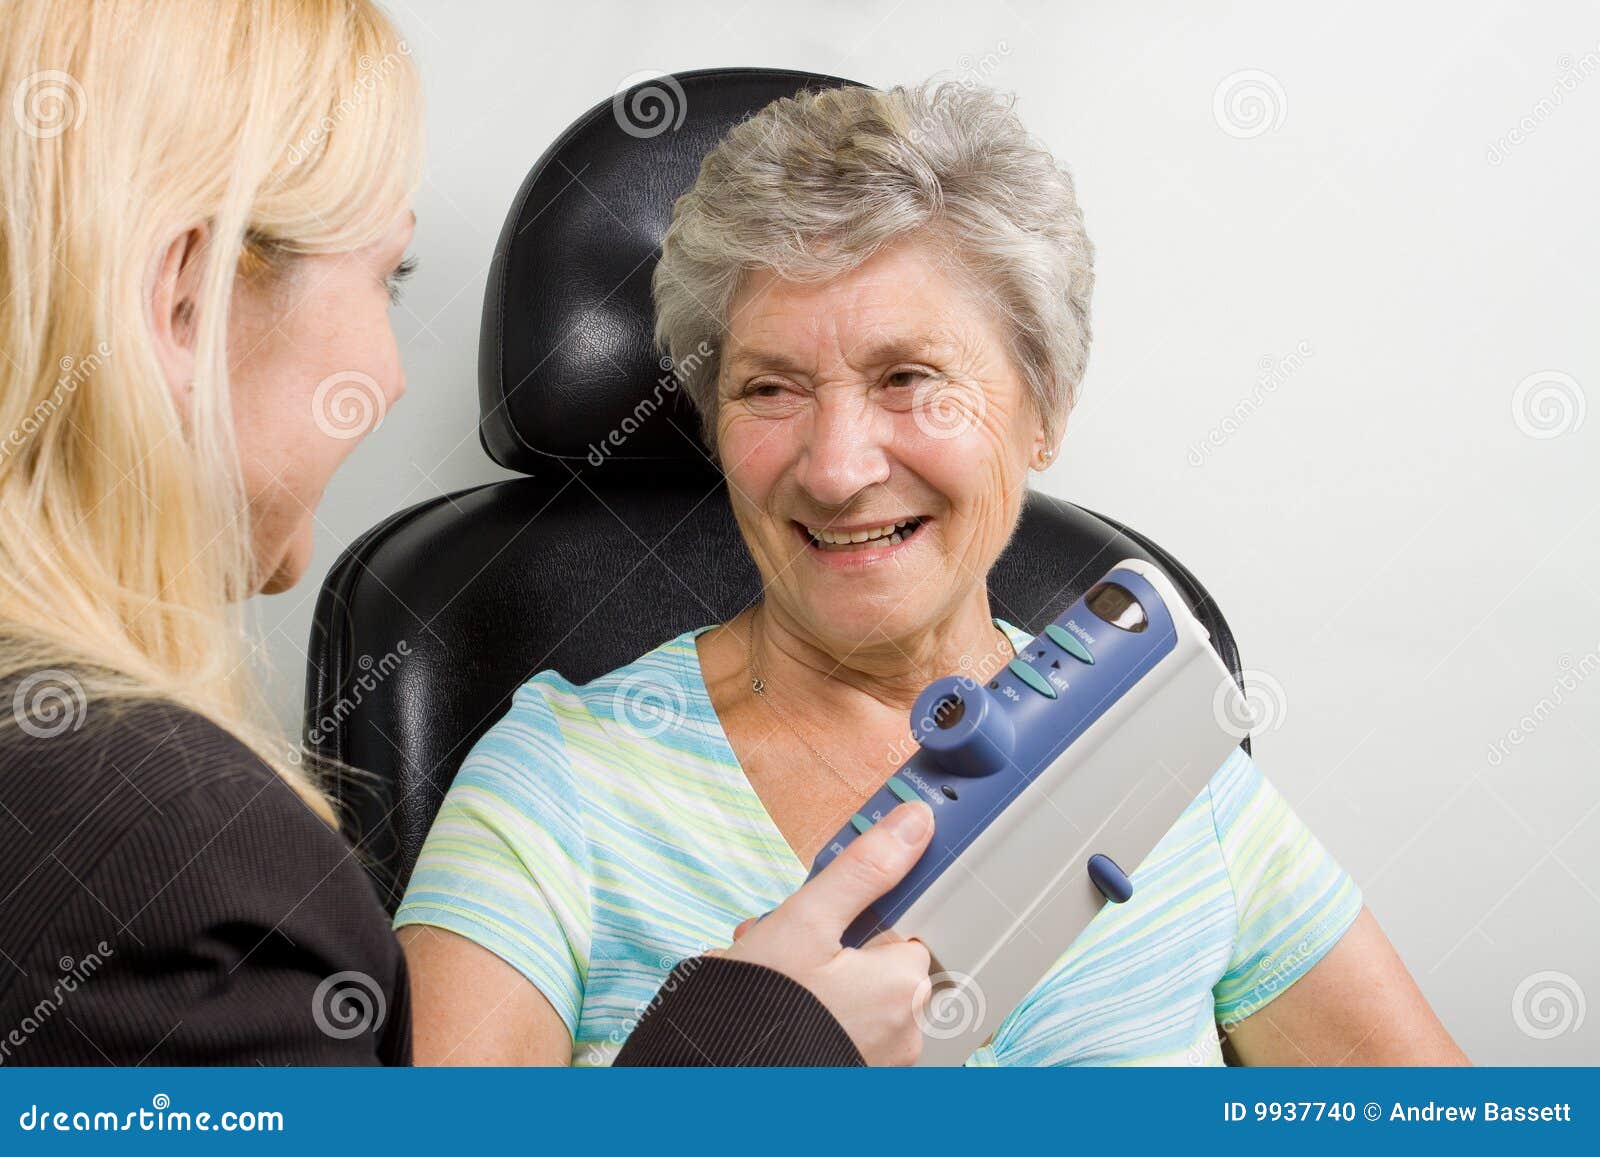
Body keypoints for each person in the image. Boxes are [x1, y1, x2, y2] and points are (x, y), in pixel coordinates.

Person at [397, 80, 1470, 1067]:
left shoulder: (1171, 759)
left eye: (909, 376)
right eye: (769, 388)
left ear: (1041, 406)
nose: (835, 466)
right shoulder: (558, 788)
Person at [0, 0, 922, 1067]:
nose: (391, 374)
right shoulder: (181, 887)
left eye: (909, 378)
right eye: (388, 275)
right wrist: (768, 1044)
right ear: (186, 300)